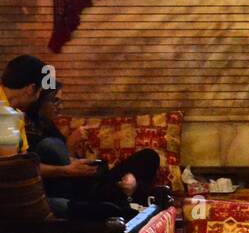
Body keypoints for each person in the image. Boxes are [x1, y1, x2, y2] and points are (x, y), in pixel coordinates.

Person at [1, 55, 160, 217]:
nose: (58, 107)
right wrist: (67, 170)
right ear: (30, 89)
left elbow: (23, 162)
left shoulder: (14, 113)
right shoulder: (5, 115)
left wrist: (74, 165)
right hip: (23, 198)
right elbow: (15, 170)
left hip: (60, 186)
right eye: (46, 96)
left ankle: (122, 201)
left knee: (146, 159)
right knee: (103, 209)